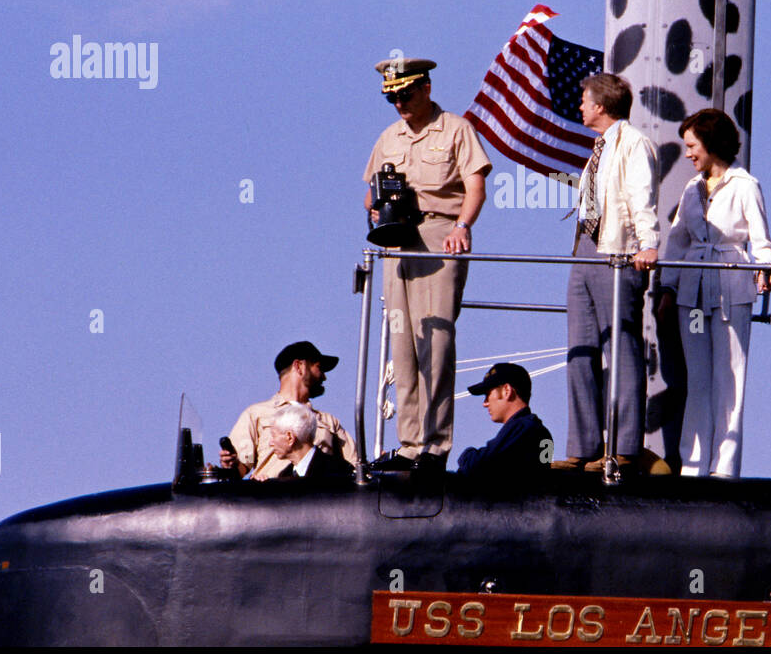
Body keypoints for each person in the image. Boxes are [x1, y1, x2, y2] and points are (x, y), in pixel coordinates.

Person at [363, 57, 491, 471]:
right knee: (402, 346)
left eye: (405, 94)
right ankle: (409, 442)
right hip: (396, 241)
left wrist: (463, 226)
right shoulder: (388, 137)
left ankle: (435, 445)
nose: (399, 103)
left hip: (438, 236)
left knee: (434, 341)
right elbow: (369, 195)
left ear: (426, 89)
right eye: (392, 98)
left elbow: (476, 186)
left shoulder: (456, 129)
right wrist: (377, 211)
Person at [657, 109, 771, 478]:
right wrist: (667, 288)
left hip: (730, 288)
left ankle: (724, 468)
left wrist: (765, 267)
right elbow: (677, 241)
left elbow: (761, 239)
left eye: (693, 146)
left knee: (730, 378)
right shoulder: (691, 189)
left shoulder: (745, 185)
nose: (689, 153)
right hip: (692, 293)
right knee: (698, 378)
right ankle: (693, 465)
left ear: (711, 143)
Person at [557, 73, 658, 474]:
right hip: (585, 248)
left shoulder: (634, 143)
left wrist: (648, 243)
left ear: (600, 105)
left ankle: (625, 445)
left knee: (621, 349)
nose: (580, 105)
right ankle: (582, 445)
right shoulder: (598, 147)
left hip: (617, 249)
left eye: (584, 99)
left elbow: (640, 195)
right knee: (580, 350)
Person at [218, 340, 358, 480]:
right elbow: (240, 468)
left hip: (316, 499)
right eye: (319, 367)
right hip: (274, 498)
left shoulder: (329, 422)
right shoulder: (256, 415)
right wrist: (231, 464)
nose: (324, 376)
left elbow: (356, 469)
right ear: (299, 366)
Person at [456, 363, 552, 481]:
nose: (485, 403)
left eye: (487, 394)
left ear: (507, 391)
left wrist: (467, 455)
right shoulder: (540, 431)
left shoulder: (523, 428)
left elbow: (476, 466)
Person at [268, 403, 351, 481]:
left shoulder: (338, 471)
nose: (270, 443)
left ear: (290, 437)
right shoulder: (284, 475)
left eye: (274, 436)